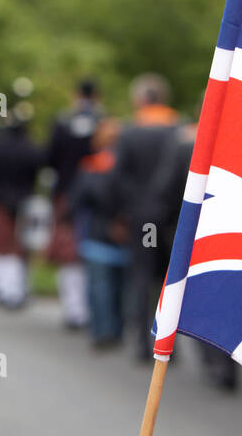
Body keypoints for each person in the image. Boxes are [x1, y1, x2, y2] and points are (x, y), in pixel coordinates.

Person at [109, 73, 182, 361]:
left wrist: (120, 213)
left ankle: (142, 343)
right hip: (173, 219)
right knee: (170, 281)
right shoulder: (178, 129)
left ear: (140, 99)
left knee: (140, 278)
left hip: (142, 218)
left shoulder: (129, 132)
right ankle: (168, 346)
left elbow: (117, 178)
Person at [46, 80, 104, 329]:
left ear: (76, 94)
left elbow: (49, 158)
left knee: (68, 254)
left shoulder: (62, 122)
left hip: (67, 194)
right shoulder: (105, 123)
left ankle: (73, 310)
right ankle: (93, 310)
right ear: (97, 95)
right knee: (92, 251)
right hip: (98, 196)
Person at [0, 105, 44, 308]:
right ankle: (15, 290)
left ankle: (1, 289)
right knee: (17, 249)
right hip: (23, 202)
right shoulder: (31, 149)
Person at [71, 120, 128, 349]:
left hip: (96, 233)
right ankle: (117, 330)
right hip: (125, 234)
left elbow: (78, 199)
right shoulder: (128, 167)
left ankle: (101, 330)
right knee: (120, 286)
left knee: (98, 286)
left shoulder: (91, 166)